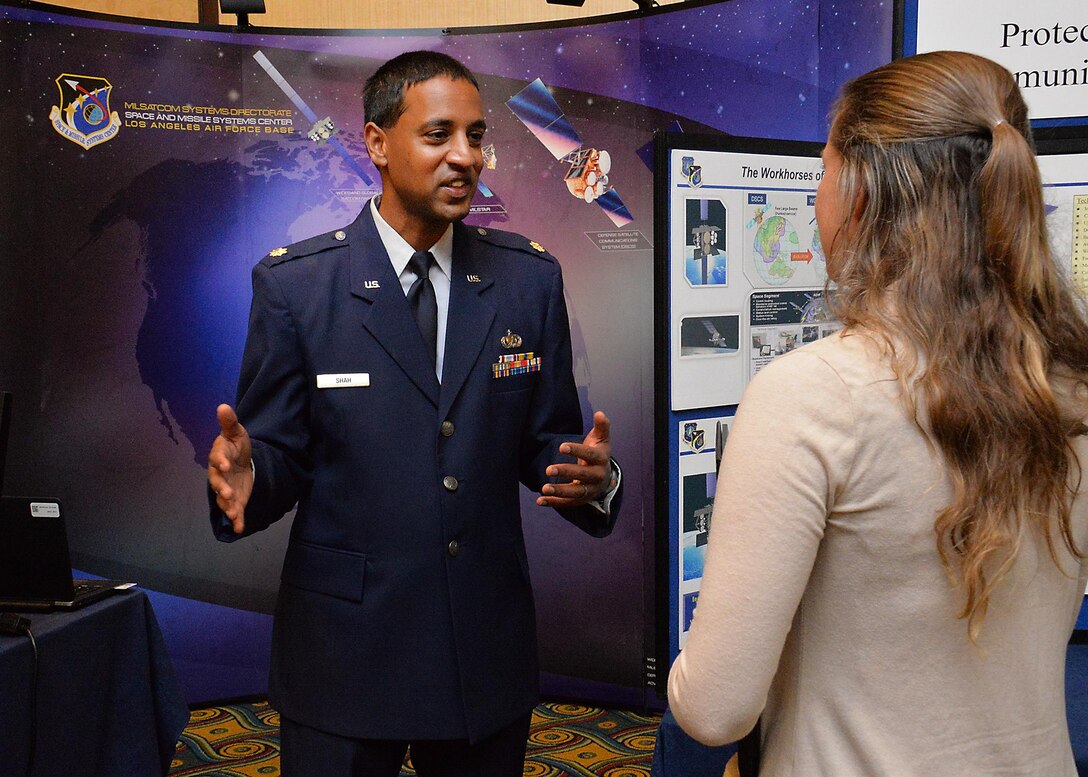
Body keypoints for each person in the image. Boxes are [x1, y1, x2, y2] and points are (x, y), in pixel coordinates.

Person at [667, 50, 1088, 776]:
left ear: (860, 190)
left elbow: (714, 708)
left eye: (821, 171)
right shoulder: (1072, 383)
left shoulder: (811, 394)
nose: (816, 198)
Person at [206, 51, 621, 777]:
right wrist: (247, 480)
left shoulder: (528, 280)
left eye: (477, 135)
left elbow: (547, 441)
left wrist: (594, 478)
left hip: (481, 655)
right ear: (376, 143)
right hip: (345, 657)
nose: (466, 157)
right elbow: (279, 454)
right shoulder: (298, 287)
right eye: (438, 135)